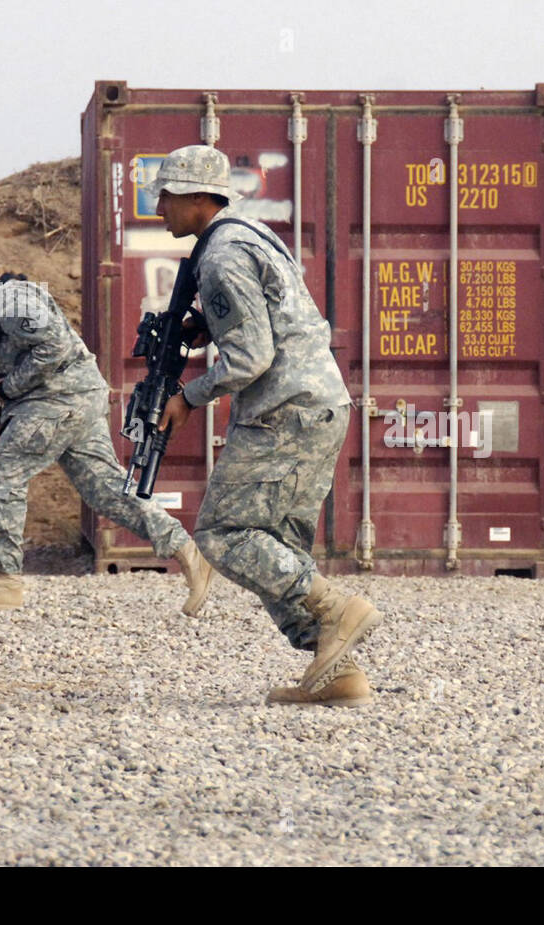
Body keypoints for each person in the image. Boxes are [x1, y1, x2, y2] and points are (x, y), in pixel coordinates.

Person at [149, 145, 383, 707]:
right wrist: (206, 322)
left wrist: (189, 397)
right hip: (316, 406)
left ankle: (336, 610)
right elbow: (277, 314)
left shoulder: (222, 255)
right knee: (274, 547)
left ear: (199, 198)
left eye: (167, 195)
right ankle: (337, 673)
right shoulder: (251, 236)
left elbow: (251, 357)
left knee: (222, 535)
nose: (158, 207)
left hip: (286, 413)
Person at [0, 247, 210, 611]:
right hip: (70, 398)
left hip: (60, 399)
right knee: (106, 491)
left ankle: (4, 583)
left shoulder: (6, 301)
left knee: (2, 474)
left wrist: (11, 390)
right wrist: (7, 415)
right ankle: (187, 551)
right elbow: (18, 363)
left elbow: (55, 347)